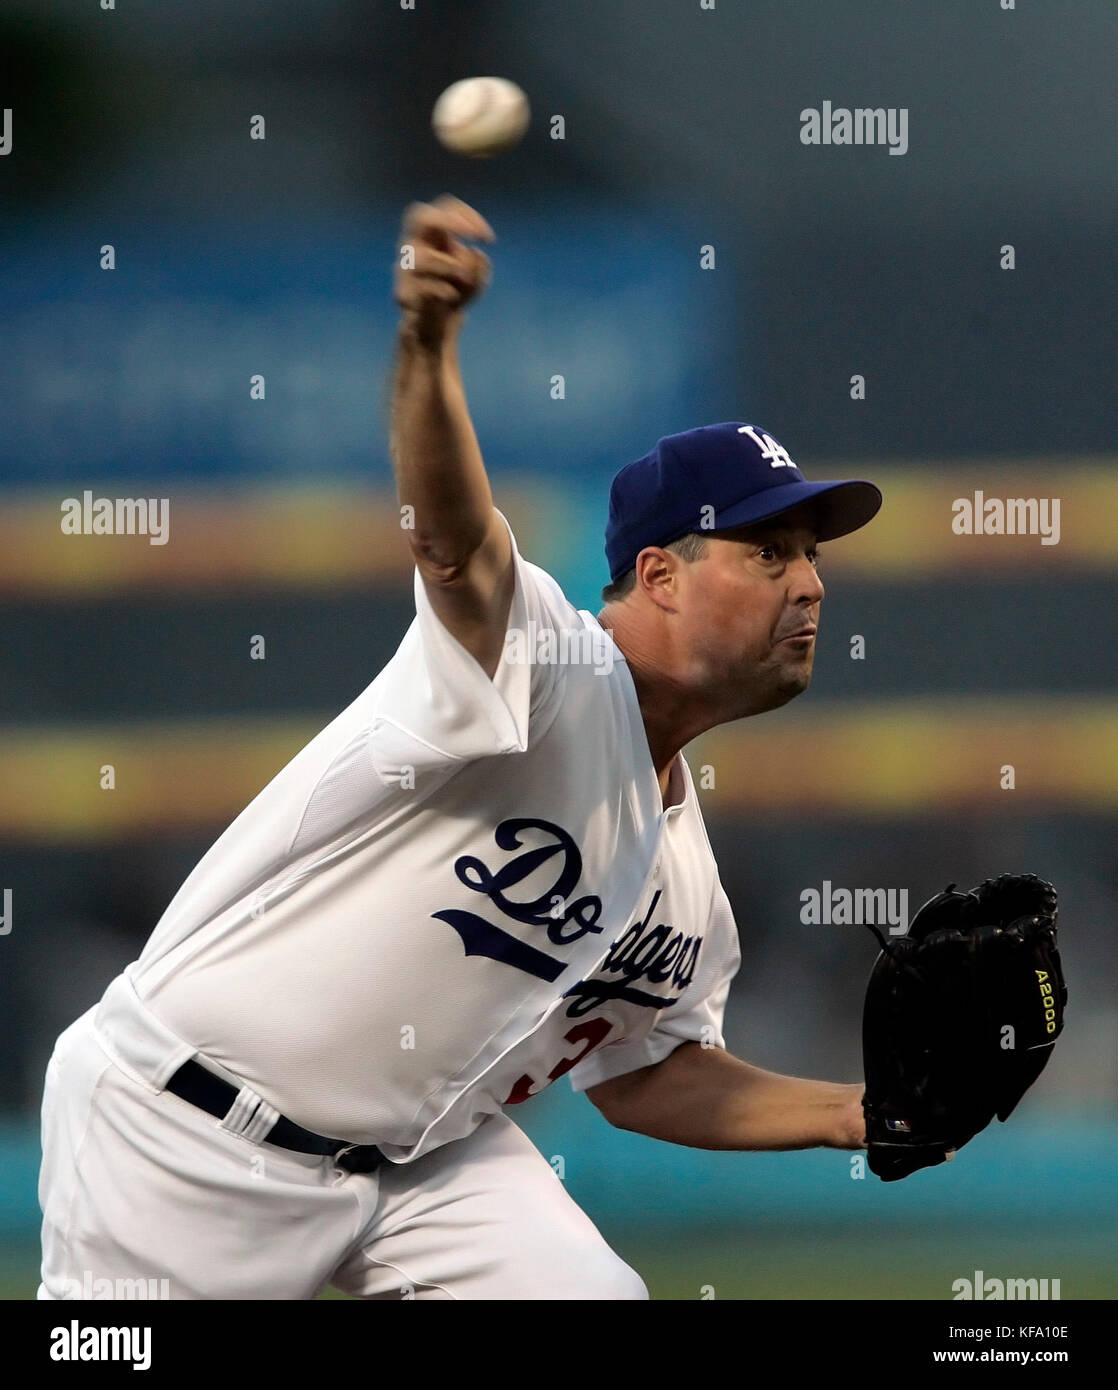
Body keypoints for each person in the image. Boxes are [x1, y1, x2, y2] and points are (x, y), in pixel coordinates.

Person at [36, 195, 882, 1301]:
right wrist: (427, 345)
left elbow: (650, 1074)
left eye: (809, 556)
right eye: (767, 551)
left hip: (426, 1163)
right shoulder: (539, 665)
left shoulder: (680, 881)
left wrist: (855, 1113)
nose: (810, 582)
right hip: (184, 1129)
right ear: (658, 577)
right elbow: (452, 538)